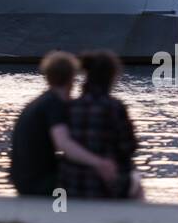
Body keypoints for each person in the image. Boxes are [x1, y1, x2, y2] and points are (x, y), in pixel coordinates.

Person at [9, 51, 118, 197]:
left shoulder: (41, 102)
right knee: (117, 183)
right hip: (40, 184)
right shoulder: (54, 105)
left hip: (23, 180)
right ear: (72, 78)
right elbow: (63, 143)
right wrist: (98, 162)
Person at [58, 51, 143, 200]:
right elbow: (128, 147)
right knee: (136, 181)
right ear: (111, 77)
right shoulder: (115, 107)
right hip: (106, 184)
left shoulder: (70, 107)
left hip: (72, 184)